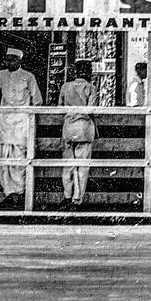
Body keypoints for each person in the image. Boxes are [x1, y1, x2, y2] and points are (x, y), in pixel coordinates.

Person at [0, 48, 42, 205]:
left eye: (12, 59)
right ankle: (8, 193)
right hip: (5, 124)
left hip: (21, 124)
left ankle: (19, 194)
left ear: (19, 61)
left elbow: (37, 100)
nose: (9, 62)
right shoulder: (1, 75)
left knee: (18, 160)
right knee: (4, 159)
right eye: (7, 59)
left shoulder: (28, 77)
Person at [59, 60, 98, 205]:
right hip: (84, 129)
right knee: (82, 166)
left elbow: (60, 107)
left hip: (68, 128)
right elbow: (92, 110)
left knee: (68, 165)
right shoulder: (91, 88)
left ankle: (67, 196)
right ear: (89, 72)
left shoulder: (65, 87)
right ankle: (77, 199)